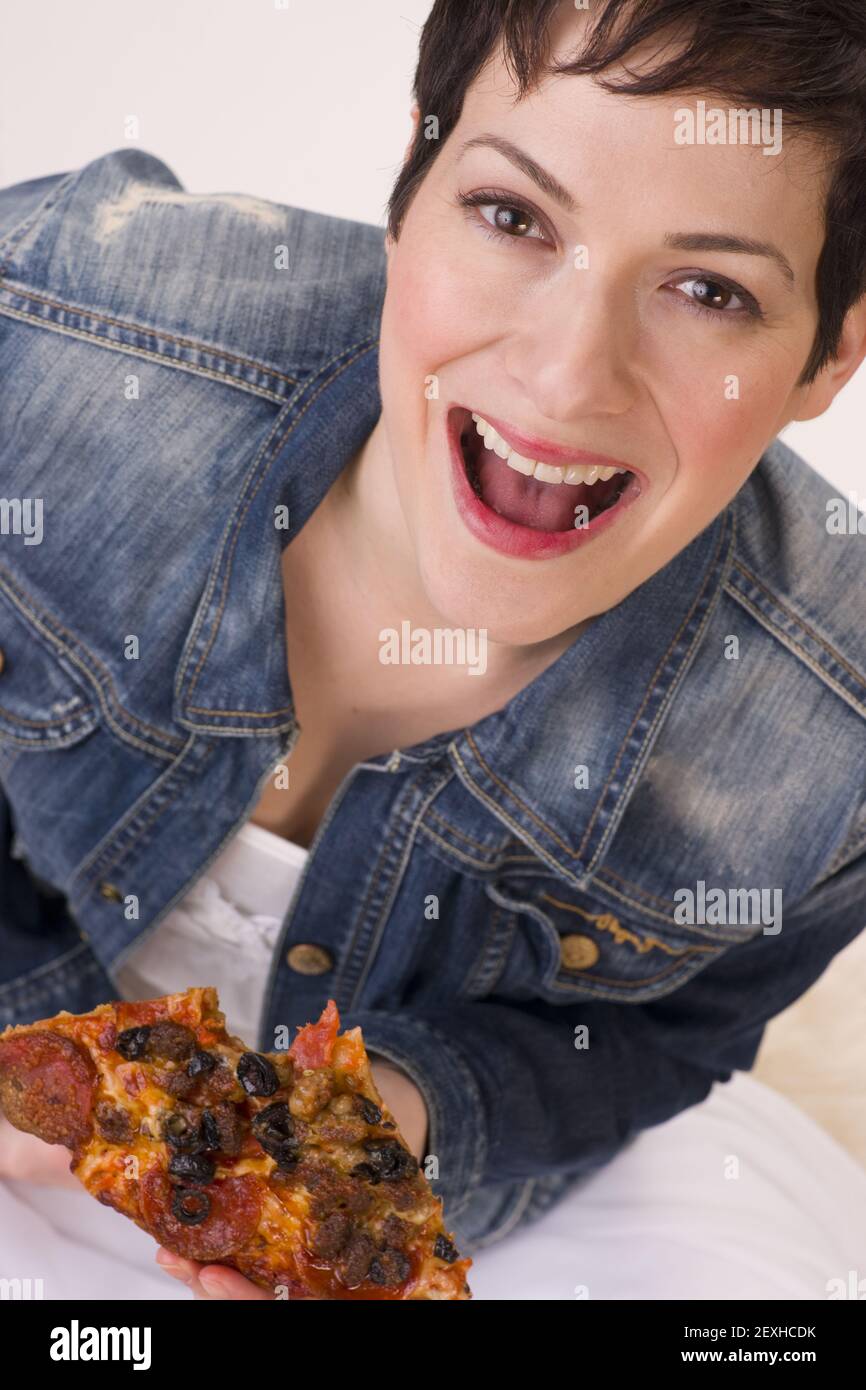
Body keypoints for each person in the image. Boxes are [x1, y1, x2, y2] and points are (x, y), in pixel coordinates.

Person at [0, 0, 864, 1300]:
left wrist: (388, 1125)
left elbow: (662, 1034)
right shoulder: (47, 325)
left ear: (827, 355)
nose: (568, 377)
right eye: (514, 216)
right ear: (414, 168)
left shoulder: (832, 740)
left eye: (708, 289)